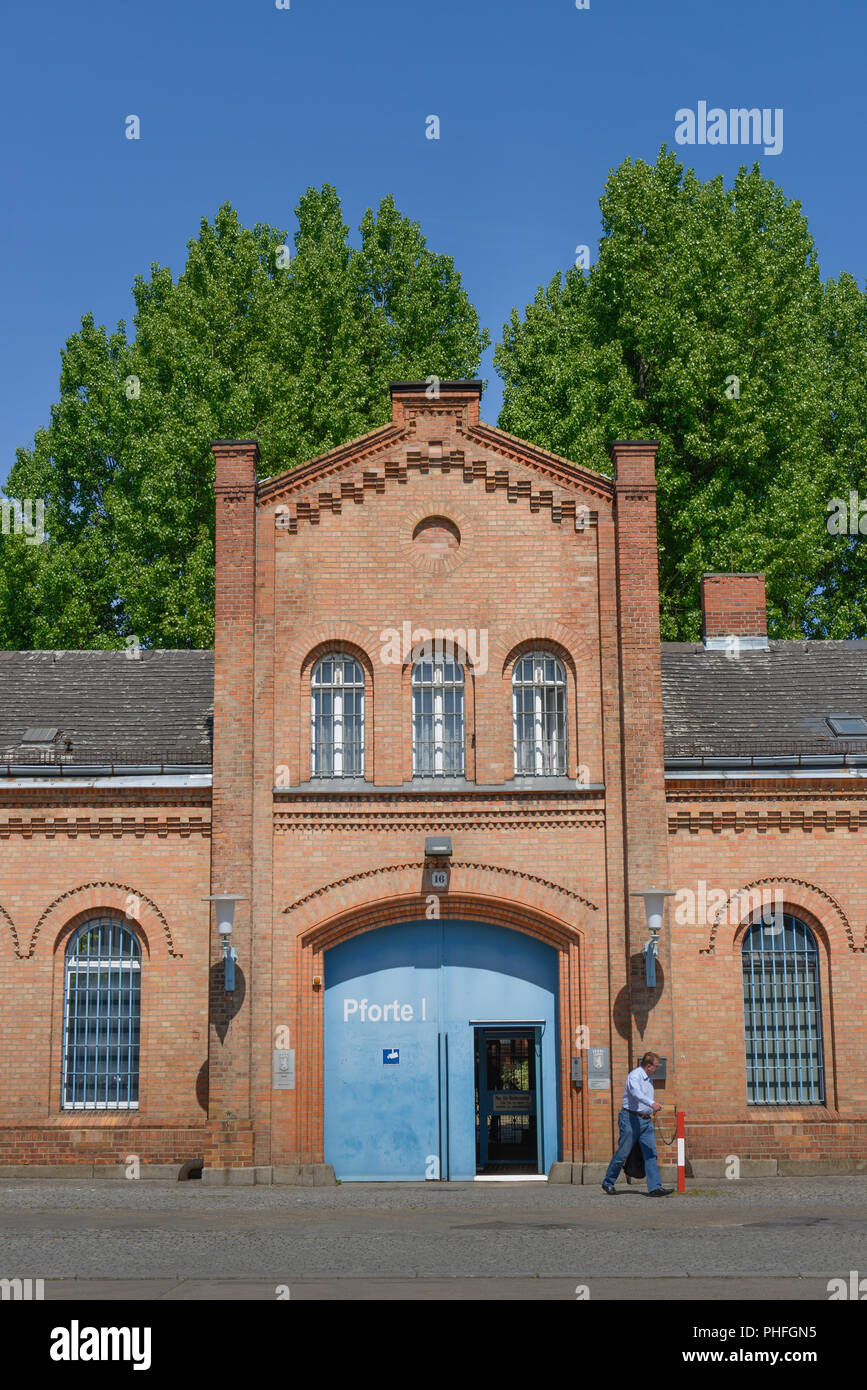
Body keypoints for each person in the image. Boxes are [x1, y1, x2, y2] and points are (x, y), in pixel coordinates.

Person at [601, 1051, 672, 1196]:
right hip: (630, 1119)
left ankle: (655, 1188)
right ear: (648, 1065)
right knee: (623, 1153)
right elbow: (636, 1093)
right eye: (656, 1066)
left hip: (645, 1121)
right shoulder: (634, 1076)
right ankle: (608, 1182)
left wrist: (650, 1109)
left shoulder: (649, 1079)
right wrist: (652, 1103)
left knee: (651, 1153)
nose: (657, 1068)